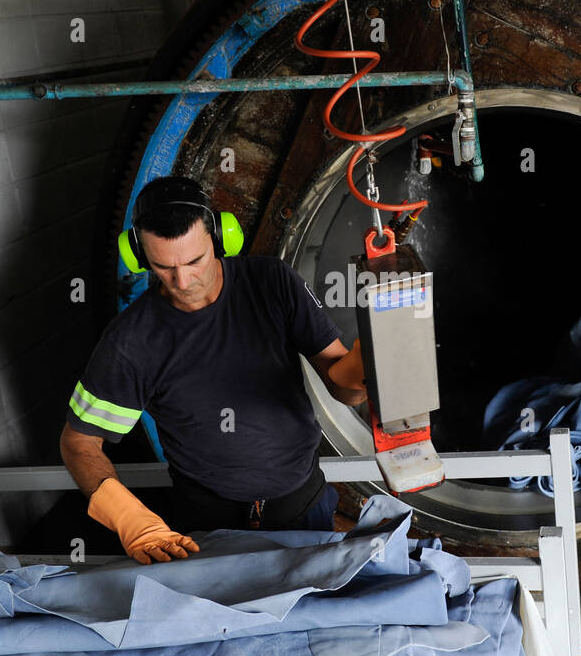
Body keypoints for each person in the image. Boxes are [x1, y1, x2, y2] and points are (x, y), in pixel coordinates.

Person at [59, 175, 366, 564]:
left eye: (194, 261)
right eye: (163, 267)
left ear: (220, 239)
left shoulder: (272, 284)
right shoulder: (132, 342)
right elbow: (79, 443)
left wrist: (365, 369)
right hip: (205, 530)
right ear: (139, 257)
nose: (182, 281)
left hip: (305, 512)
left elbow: (342, 385)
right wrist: (130, 518)